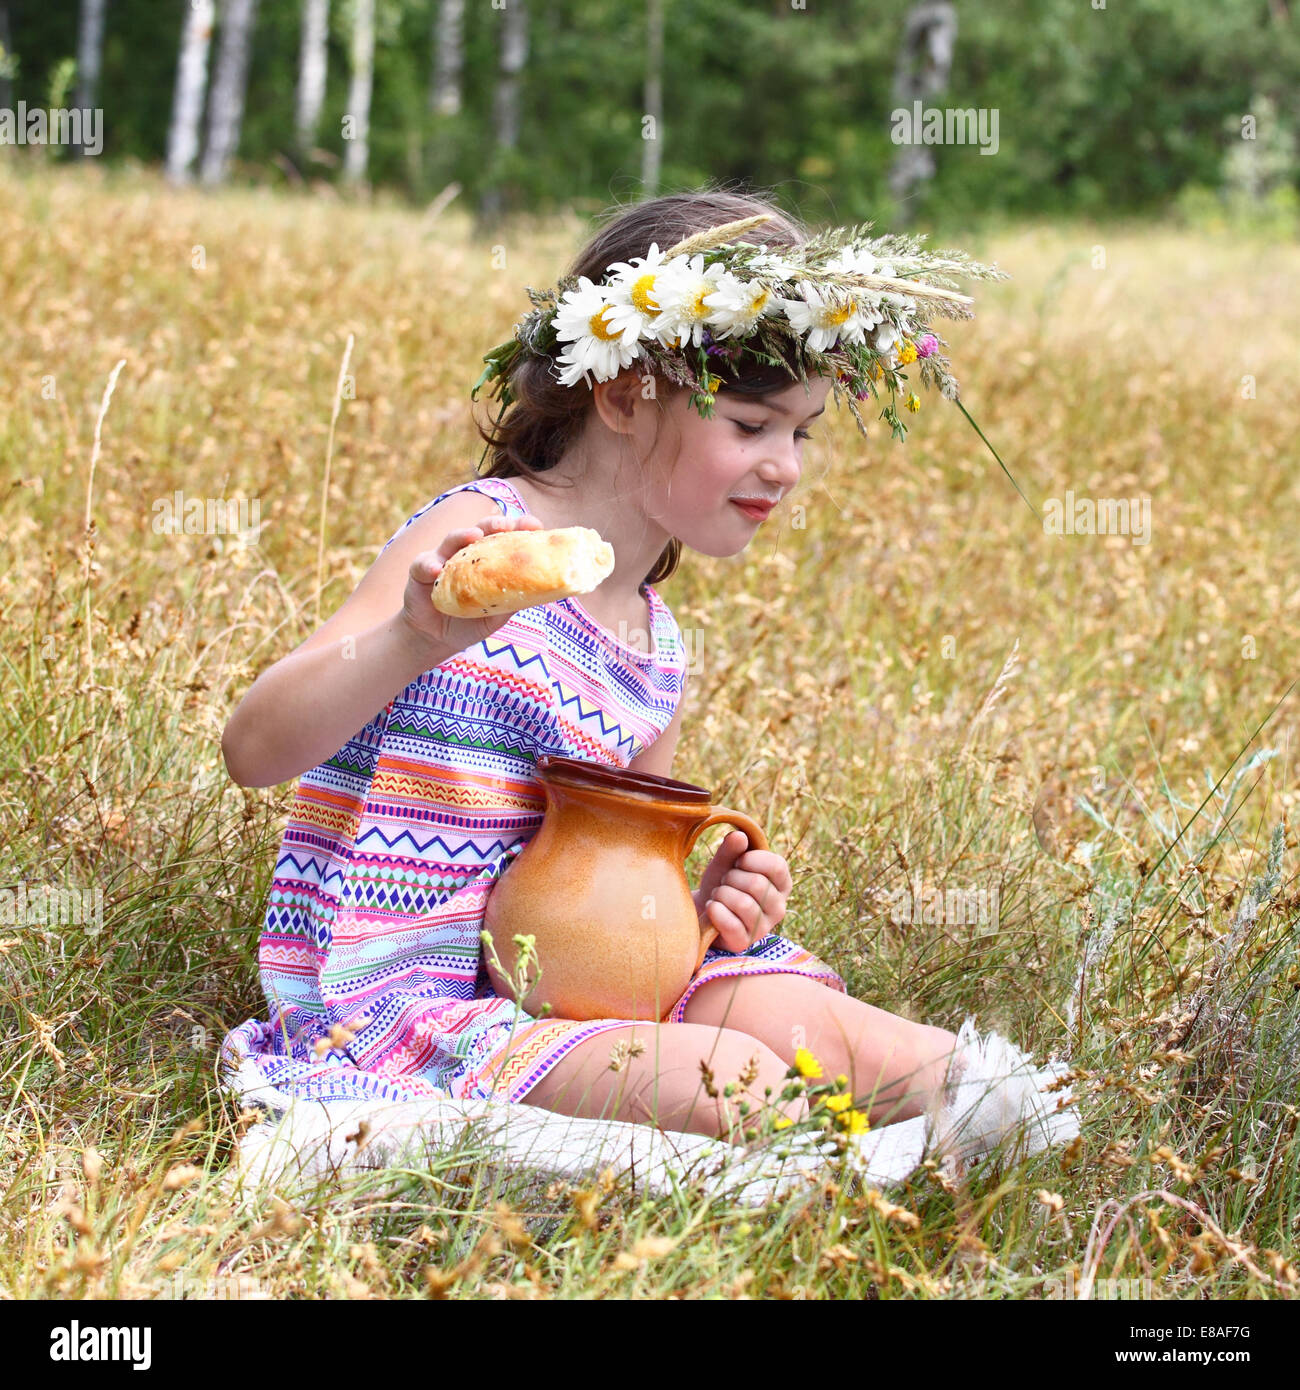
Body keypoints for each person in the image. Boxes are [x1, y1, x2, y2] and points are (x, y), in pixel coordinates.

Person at [219, 186, 1078, 1172]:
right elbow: (254, 749)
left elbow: (613, 897)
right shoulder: (479, 534)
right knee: (743, 1084)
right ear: (625, 396)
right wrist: (412, 639)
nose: (786, 467)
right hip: (415, 996)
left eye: (800, 433)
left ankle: (963, 1151)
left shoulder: (655, 645)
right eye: (750, 424)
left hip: (572, 980)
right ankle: (820, 1178)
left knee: (888, 1058)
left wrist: (697, 906)